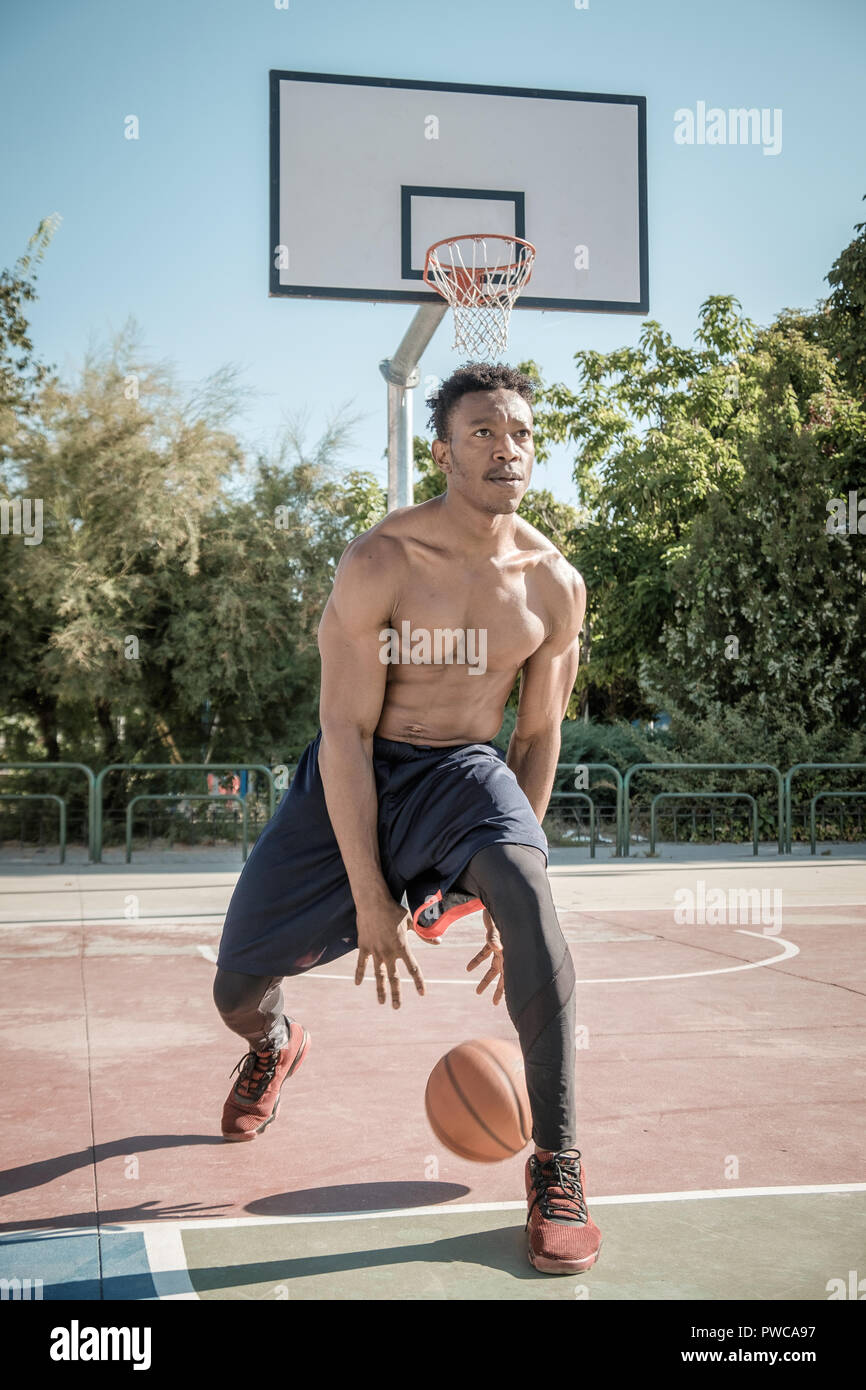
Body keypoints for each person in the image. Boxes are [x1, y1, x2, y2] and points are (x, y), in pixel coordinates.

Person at [213, 361, 601, 1276]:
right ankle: (275, 1044)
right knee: (234, 989)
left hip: (464, 776)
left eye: (522, 435)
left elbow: (538, 735)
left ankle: (560, 1167)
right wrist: (369, 898)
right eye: (483, 434)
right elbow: (343, 733)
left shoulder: (553, 583)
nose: (508, 449)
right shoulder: (381, 560)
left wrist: (520, 879)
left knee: (528, 894)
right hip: (358, 772)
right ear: (443, 451)